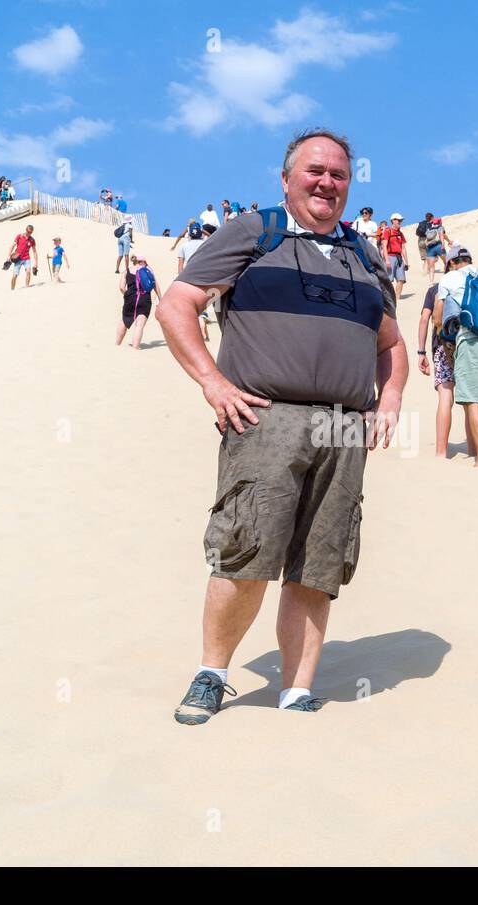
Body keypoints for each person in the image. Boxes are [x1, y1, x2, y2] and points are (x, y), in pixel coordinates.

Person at [155, 128, 405, 724]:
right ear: (287, 178)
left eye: (339, 175)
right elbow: (175, 305)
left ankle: (296, 688)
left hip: (345, 429)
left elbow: (390, 343)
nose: (327, 183)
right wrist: (213, 383)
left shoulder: (365, 256)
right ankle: (212, 674)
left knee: (321, 562)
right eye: (315, 171)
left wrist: (390, 398)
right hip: (266, 417)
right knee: (247, 550)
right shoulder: (252, 233)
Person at [432, 244, 478, 466]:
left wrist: (444, 337)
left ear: (453, 263)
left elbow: (438, 316)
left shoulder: (449, 279)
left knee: (472, 401)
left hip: (470, 342)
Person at [417, 271, 463, 457]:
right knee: (471, 399)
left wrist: (421, 352)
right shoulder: (468, 285)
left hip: (442, 346)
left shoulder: (435, 289)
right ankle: (477, 450)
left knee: (445, 396)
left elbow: (424, 319)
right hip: (468, 347)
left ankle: (441, 452)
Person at [117, 254, 157, 349]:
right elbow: (155, 285)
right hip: (145, 299)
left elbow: (121, 287)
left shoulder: (127, 271)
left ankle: (117, 344)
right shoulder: (148, 270)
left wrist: (127, 295)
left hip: (130, 298)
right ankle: (136, 347)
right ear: (143, 262)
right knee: (139, 325)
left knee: (124, 321)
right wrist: (159, 297)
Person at [377, 212, 408, 299]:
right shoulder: (387, 231)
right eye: (398, 220)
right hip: (390, 257)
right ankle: (387, 298)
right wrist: (386, 260)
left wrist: (406, 261)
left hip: (399, 258)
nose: (400, 222)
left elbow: (403, 248)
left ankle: (397, 299)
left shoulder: (400, 234)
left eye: (400, 220)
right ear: (393, 220)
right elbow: (384, 245)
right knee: (388, 280)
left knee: (401, 280)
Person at [419, 212, 448, 283]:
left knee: (431, 267)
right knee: (446, 263)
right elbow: (441, 235)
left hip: (430, 248)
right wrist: (443, 245)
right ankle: (447, 277)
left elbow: (426, 237)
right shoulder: (440, 227)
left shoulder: (428, 228)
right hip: (438, 246)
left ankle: (431, 282)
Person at [10, 224, 38, 290]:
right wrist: (8, 256)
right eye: (28, 232)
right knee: (15, 275)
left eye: (31, 232)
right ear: (26, 230)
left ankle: (27, 287)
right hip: (18, 258)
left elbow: (34, 251)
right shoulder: (19, 236)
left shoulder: (32, 240)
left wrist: (36, 263)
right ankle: (12, 289)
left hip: (26, 258)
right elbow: (13, 246)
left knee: (28, 271)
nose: (29, 233)